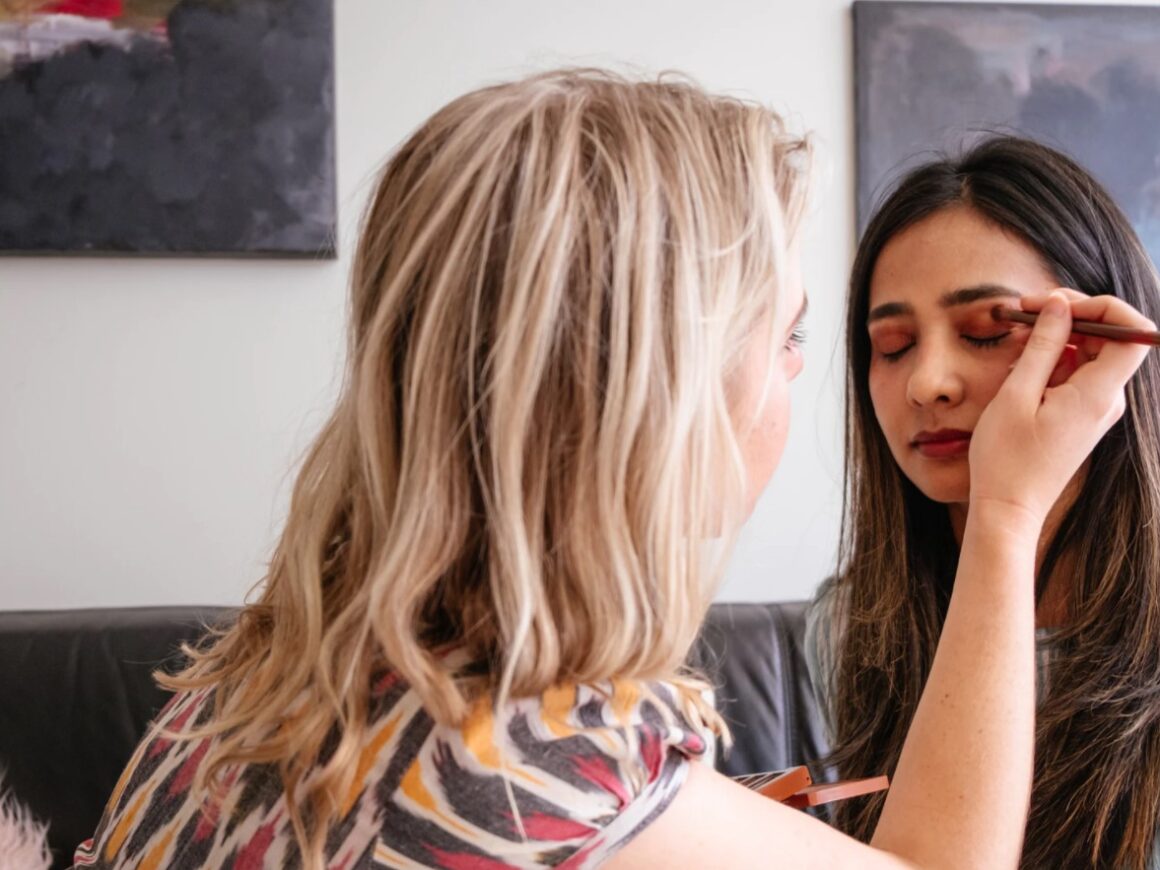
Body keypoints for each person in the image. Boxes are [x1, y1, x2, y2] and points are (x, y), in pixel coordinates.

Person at [73, 73, 1147, 870]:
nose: (925, 386)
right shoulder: (526, 755)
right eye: (790, 337)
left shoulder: (257, 679)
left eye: (991, 327)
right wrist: (1007, 515)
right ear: (655, 385)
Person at [808, 134, 1160, 869]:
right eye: (894, 345)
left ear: (1098, 345)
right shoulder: (849, 628)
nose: (927, 382)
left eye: (986, 331)